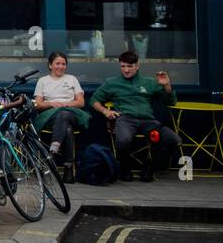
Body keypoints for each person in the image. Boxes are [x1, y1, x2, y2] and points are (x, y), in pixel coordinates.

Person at [91, 50, 180, 182]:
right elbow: (94, 100)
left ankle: (150, 167)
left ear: (137, 66)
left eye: (130, 66)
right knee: (123, 140)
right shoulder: (112, 82)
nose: (126, 70)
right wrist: (105, 111)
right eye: (123, 66)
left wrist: (167, 85)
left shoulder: (149, 82)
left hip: (148, 121)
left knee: (174, 140)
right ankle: (125, 167)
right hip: (125, 119)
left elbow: (170, 102)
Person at [33, 50, 88, 168]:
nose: (61, 67)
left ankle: (54, 147)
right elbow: (37, 104)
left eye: (63, 64)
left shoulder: (72, 79)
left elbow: (81, 102)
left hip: (72, 113)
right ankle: (68, 168)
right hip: (49, 116)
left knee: (63, 114)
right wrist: (52, 104)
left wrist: (64, 105)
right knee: (67, 129)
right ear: (50, 65)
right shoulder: (43, 81)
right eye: (57, 63)